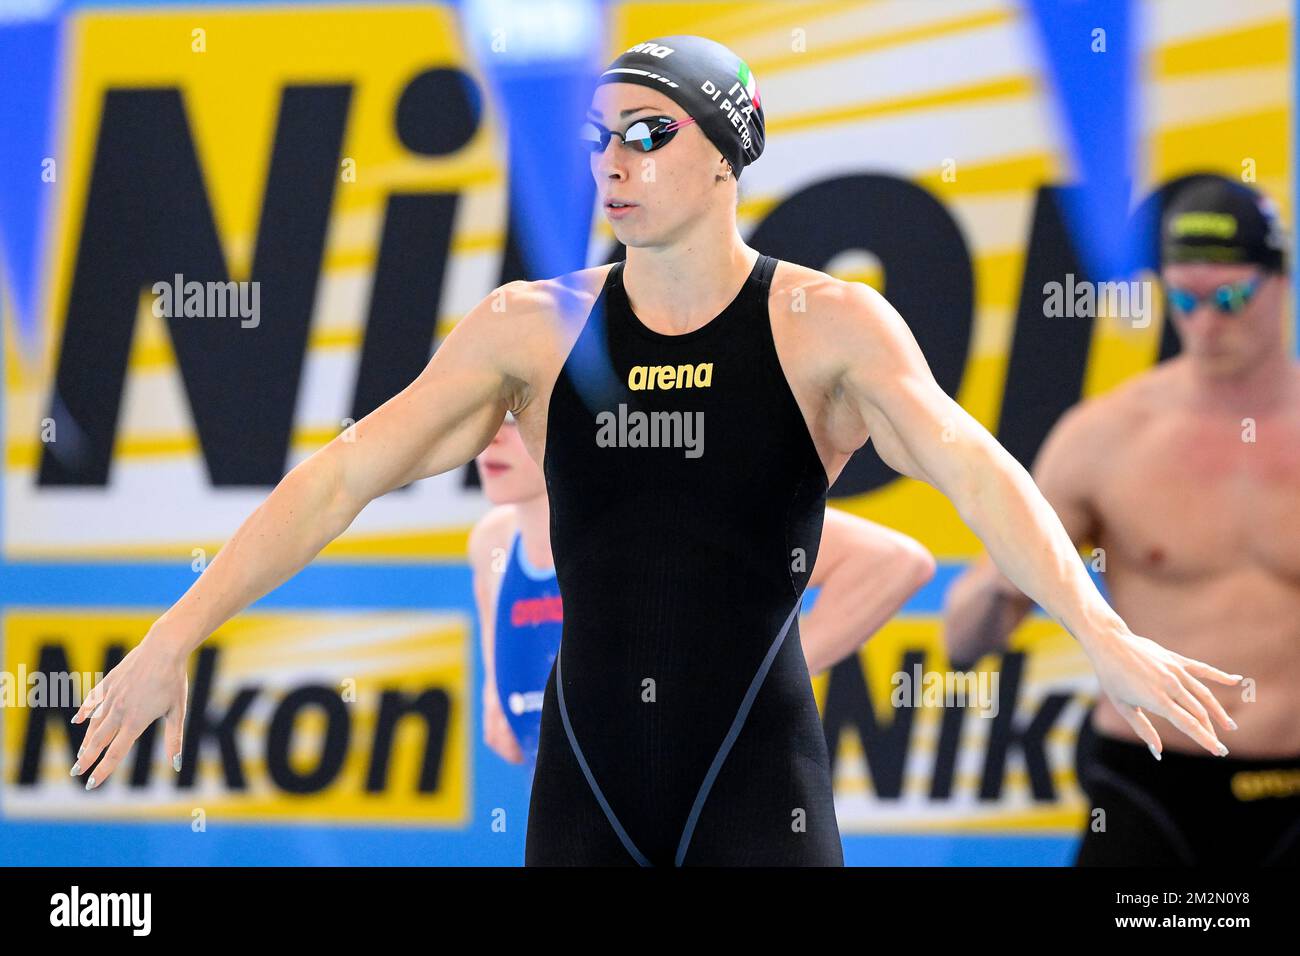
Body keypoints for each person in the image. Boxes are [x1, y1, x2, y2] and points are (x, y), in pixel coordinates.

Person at [70, 35, 1241, 867]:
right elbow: (337, 477)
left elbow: (974, 466)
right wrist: (176, 630)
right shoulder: (531, 330)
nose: (612, 160)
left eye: (647, 132)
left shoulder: (822, 325)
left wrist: (1099, 629)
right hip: (583, 799)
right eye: (598, 137)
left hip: (759, 796)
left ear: (726, 156)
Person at [943, 176, 1299, 865]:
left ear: (1278, 282)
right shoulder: (1105, 437)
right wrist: (997, 591)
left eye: (1228, 299)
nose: (1204, 324)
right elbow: (966, 641)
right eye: (1185, 299)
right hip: (1151, 789)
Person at [471, 413, 936, 766]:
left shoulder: (664, 519)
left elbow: (894, 562)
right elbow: (509, 729)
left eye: (514, 417)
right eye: (485, 413)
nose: (491, 436)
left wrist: (757, 679)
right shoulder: (492, 545)